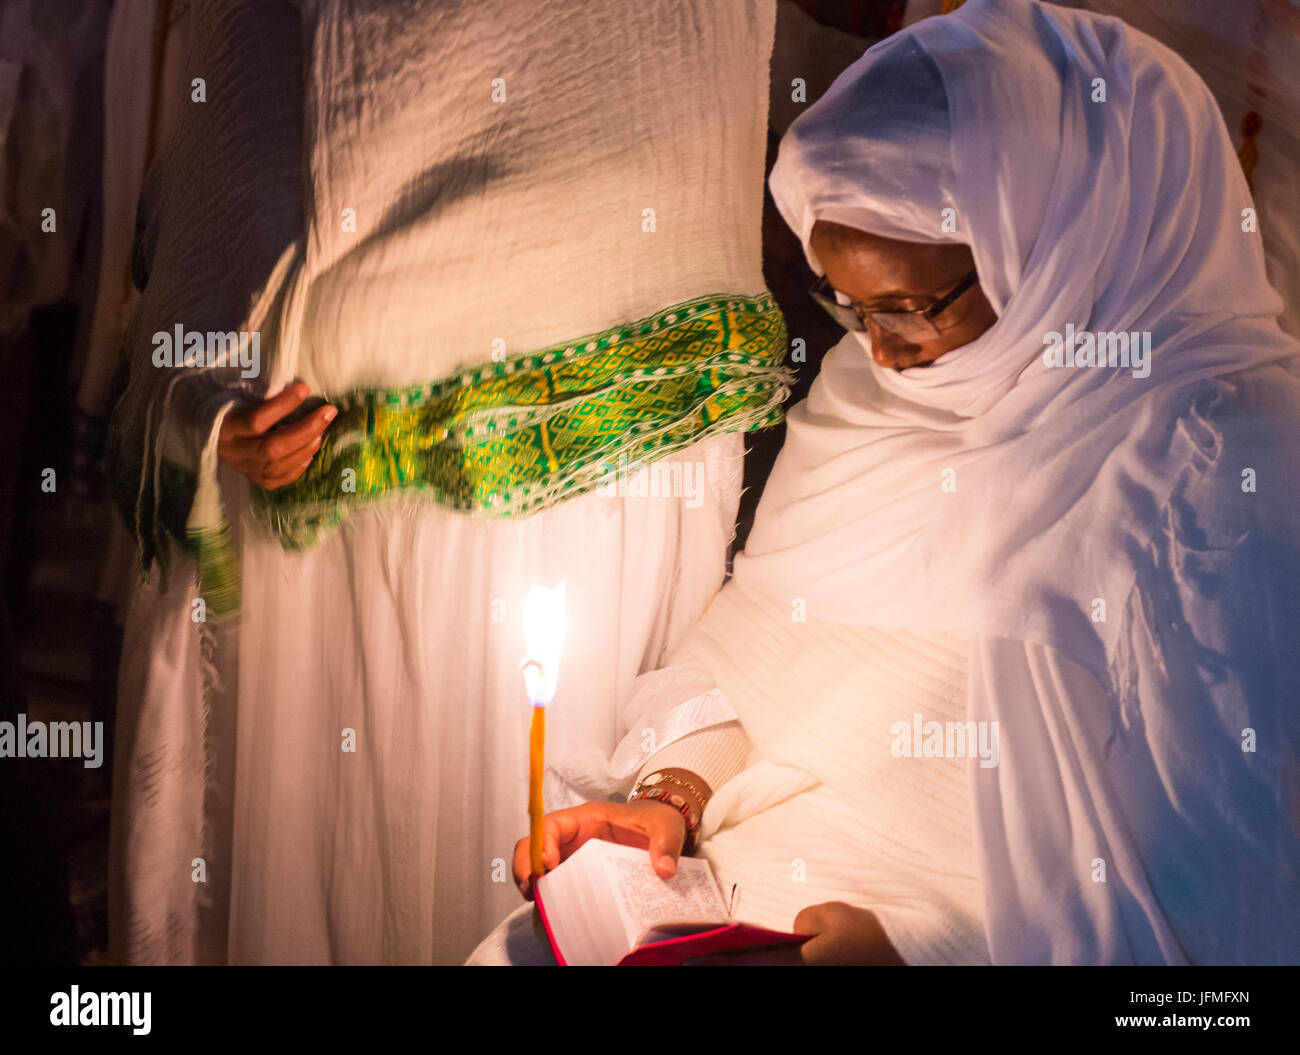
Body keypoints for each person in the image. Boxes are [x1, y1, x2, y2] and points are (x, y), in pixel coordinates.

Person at [473, 0, 1300, 965]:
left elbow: (1230, 958)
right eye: (850, 306)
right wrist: (671, 795)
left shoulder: (1228, 478)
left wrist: (922, 953)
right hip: (737, 889)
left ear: (1055, 246)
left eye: (910, 309)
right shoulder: (872, 395)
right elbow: (753, 647)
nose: (885, 356)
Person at [106, 0, 787, 965]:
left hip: (624, 452)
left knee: (576, 848)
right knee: (367, 859)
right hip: (350, 487)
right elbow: (246, 100)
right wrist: (208, 396)